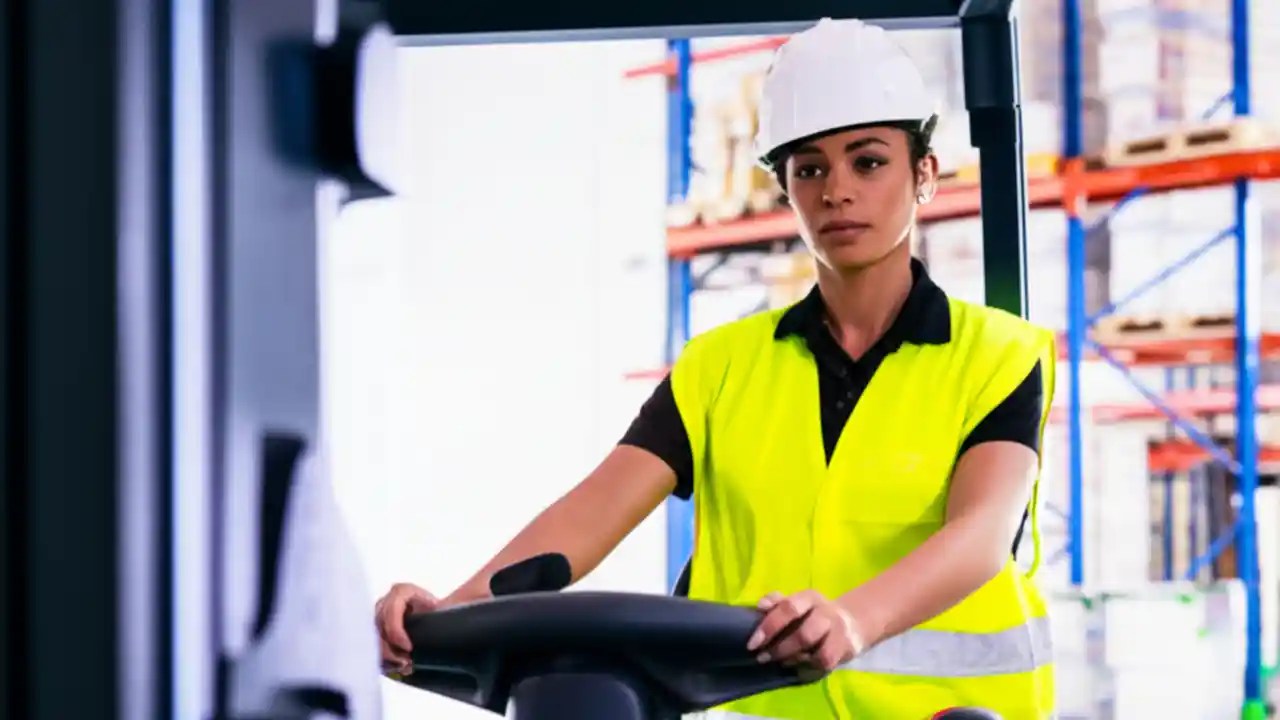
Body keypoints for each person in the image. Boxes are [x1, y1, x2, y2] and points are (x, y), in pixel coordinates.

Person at [374, 16, 1057, 719]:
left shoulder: (997, 355)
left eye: (869, 162)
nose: (837, 190)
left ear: (924, 175)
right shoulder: (719, 367)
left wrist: (853, 620)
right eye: (809, 169)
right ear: (785, 188)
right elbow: (589, 515)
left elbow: (980, 536)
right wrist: (450, 612)